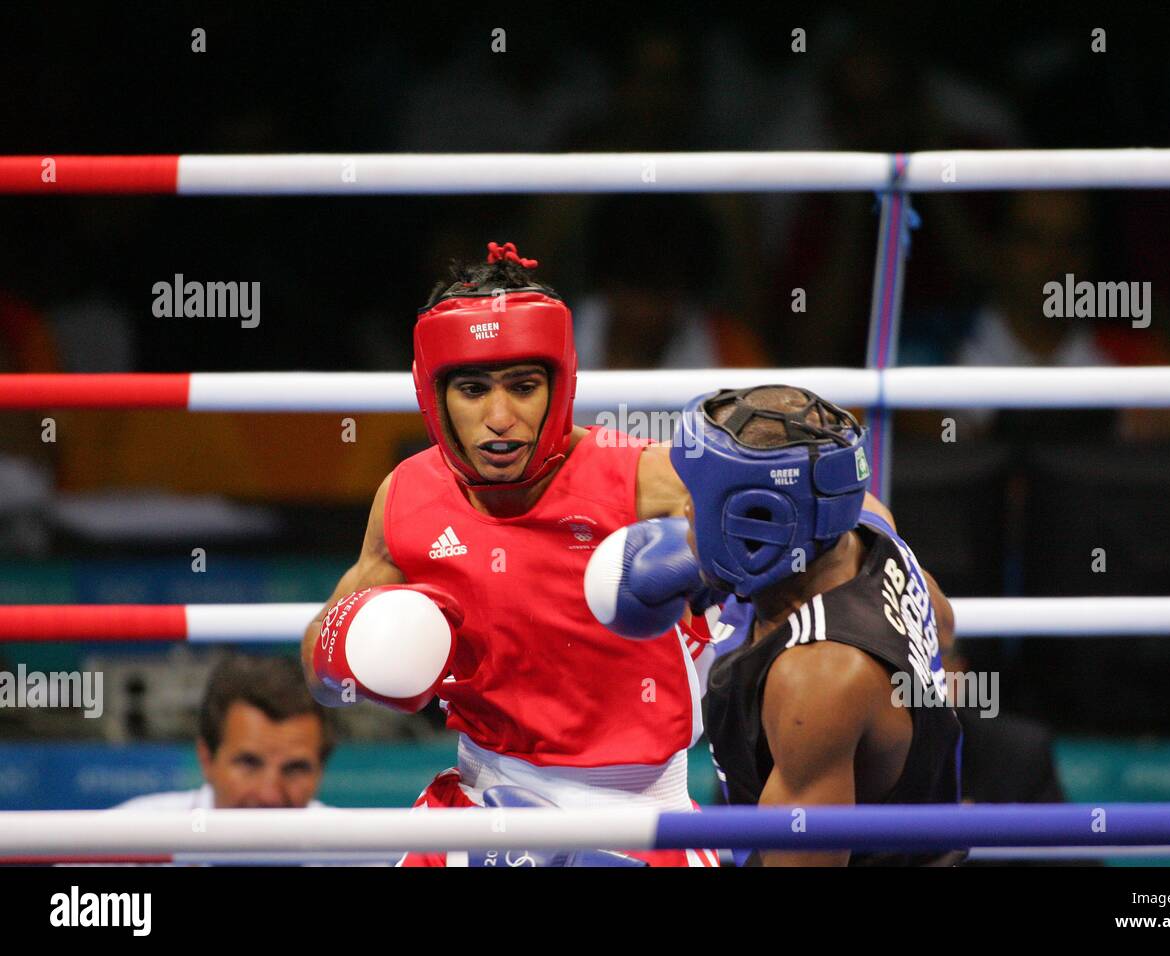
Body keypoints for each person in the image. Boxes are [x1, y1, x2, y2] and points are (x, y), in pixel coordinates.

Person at [301, 242, 725, 867]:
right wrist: (351, 653)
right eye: (472, 390)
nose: (500, 418)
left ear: (560, 384)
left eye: (523, 387)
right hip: (481, 808)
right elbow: (319, 668)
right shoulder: (408, 496)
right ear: (436, 396)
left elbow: (835, 523)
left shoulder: (647, 482)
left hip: (640, 824)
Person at [670, 385, 963, 866]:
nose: (684, 512)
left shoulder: (816, 680)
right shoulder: (870, 529)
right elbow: (944, 627)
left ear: (760, 520)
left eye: (696, 499)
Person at [117, 655, 332, 811]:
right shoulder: (128, 842)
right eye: (249, 763)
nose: (270, 795)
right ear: (207, 760)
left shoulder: (356, 851)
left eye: (295, 768)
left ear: (320, 772)